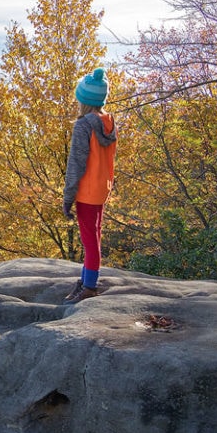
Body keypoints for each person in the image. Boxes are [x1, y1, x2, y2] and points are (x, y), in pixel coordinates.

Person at [62, 67, 118, 304]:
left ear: (83, 99)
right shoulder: (109, 122)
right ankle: (87, 278)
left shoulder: (83, 125)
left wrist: (67, 197)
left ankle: (90, 286)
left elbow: (76, 165)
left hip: (86, 191)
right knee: (93, 236)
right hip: (102, 188)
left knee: (89, 239)